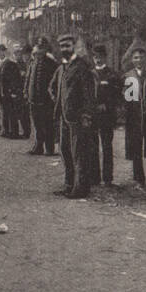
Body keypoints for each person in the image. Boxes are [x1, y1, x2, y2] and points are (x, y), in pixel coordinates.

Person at [51, 33, 97, 198]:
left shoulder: (82, 66)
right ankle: (69, 185)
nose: (65, 49)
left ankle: (81, 188)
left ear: (74, 47)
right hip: (65, 117)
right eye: (62, 46)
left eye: (68, 46)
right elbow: (54, 88)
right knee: (66, 151)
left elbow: (88, 94)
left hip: (78, 118)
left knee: (79, 153)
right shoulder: (64, 67)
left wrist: (86, 115)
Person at [122, 42, 146, 190]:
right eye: (136, 58)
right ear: (132, 60)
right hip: (134, 117)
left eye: (142, 57)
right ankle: (139, 179)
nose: (139, 60)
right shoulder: (128, 77)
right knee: (136, 148)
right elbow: (125, 98)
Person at [91, 43, 121, 187]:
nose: (98, 60)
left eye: (100, 57)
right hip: (93, 116)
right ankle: (95, 177)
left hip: (107, 116)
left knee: (107, 146)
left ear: (105, 57)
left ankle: (108, 178)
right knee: (93, 146)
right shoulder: (89, 74)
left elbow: (116, 95)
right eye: (95, 57)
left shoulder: (112, 75)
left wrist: (106, 105)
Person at [27, 36, 59, 156]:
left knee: (48, 124)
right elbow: (29, 79)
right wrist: (27, 93)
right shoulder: (33, 62)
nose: (40, 51)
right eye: (38, 48)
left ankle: (49, 148)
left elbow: (54, 83)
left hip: (46, 101)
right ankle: (38, 147)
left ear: (46, 49)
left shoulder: (51, 63)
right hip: (34, 99)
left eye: (42, 48)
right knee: (37, 125)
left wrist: (52, 97)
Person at [0, 45, 25, 139]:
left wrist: (13, 90)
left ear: (5, 52)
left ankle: (13, 132)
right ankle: (5, 130)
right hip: (1, 91)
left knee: (11, 111)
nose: (0, 53)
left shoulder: (10, 63)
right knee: (3, 111)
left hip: (8, 91)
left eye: (2, 51)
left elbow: (14, 79)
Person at [15, 45, 33, 140]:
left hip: (30, 91)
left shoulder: (32, 63)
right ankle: (26, 132)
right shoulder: (21, 63)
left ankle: (28, 132)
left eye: (26, 54)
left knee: (28, 113)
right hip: (22, 90)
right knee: (23, 113)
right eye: (24, 55)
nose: (25, 56)